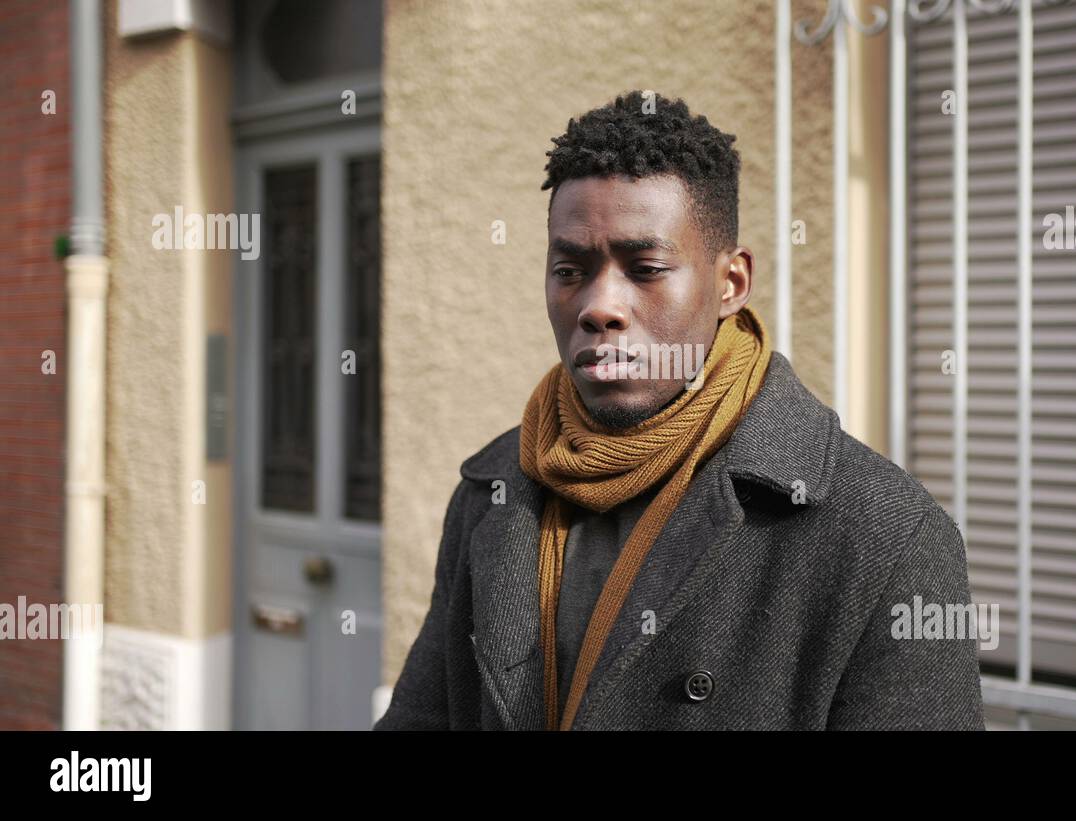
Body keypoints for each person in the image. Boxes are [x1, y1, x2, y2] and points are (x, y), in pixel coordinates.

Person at [374, 90, 984, 730]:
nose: (599, 306)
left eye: (646, 268)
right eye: (570, 269)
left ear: (731, 283)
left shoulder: (882, 537)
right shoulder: (494, 490)